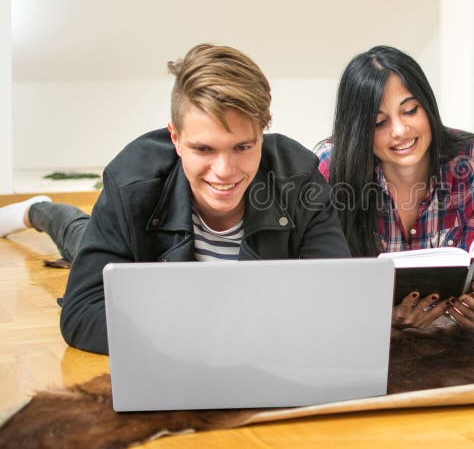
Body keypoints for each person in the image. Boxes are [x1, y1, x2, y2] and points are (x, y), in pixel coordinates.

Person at [0, 44, 350, 354]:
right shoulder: (130, 183)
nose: (224, 171)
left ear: (262, 134)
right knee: (76, 233)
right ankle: (38, 210)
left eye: (243, 147)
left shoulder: (299, 177)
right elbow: (82, 313)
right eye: (203, 149)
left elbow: (338, 300)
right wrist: (207, 337)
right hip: (137, 246)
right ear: (175, 138)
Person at [314, 45, 474, 330]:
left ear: (427, 105)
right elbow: (324, 285)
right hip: (361, 333)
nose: (400, 131)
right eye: (379, 122)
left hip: (447, 334)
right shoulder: (330, 169)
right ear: (358, 130)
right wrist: (381, 317)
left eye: (410, 110)